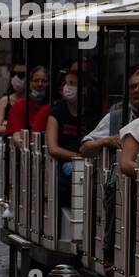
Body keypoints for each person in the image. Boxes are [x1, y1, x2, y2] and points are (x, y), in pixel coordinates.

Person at [80, 67, 139, 159]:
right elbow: (84, 149)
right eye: (133, 86)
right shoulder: (114, 118)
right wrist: (107, 140)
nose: (136, 90)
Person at [45, 69, 84, 204]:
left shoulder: (91, 113)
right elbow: (53, 149)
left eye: (72, 84)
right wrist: (79, 157)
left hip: (89, 161)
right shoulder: (56, 113)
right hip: (66, 163)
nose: (67, 87)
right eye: (66, 83)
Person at [5, 65, 51, 137]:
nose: (40, 84)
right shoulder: (18, 106)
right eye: (36, 81)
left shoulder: (53, 107)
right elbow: (17, 137)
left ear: (49, 84)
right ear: (29, 83)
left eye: (44, 81)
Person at [0, 63, 27, 136]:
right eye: (13, 74)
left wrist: (8, 125)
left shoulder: (33, 101)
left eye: (21, 75)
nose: (16, 78)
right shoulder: (5, 101)